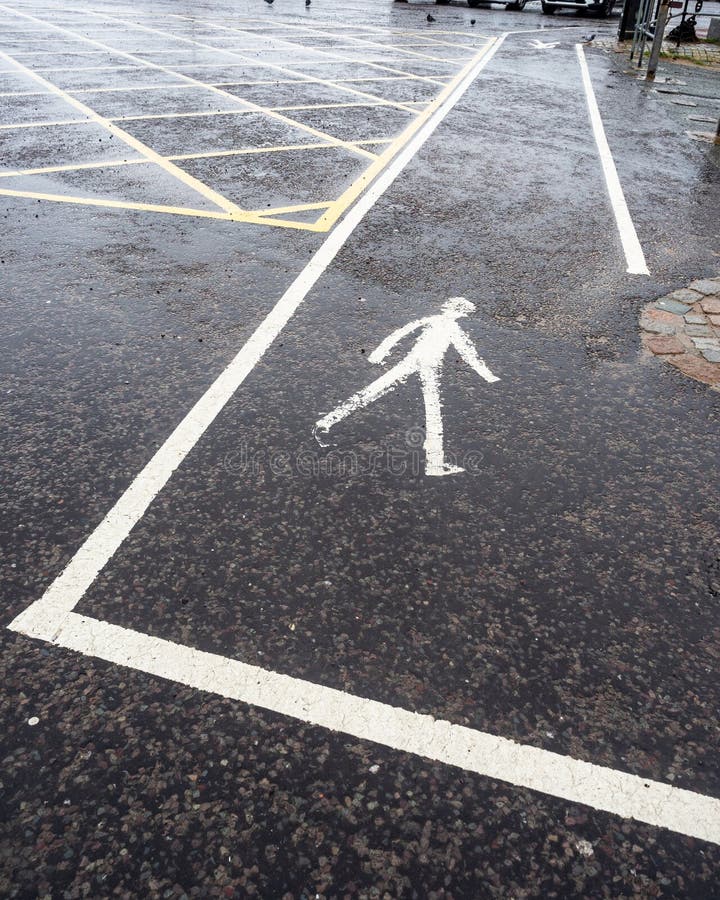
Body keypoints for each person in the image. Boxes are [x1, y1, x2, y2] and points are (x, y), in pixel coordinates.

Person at [313, 298, 499, 476]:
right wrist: (488, 376)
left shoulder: (436, 322)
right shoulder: (449, 327)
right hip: (425, 365)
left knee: (376, 391)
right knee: (432, 411)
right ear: (457, 311)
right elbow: (467, 352)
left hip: (419, 364)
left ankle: (326, 422)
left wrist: (378, 355)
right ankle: (434, 463)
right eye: (463, 312)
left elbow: (400, 334)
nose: (462, 315)